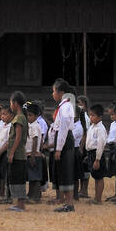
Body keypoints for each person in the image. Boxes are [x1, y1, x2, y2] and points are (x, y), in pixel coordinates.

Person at [51, 79, 78, 213]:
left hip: (65, 140)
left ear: (61, 92)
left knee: (66, 171)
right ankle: (67, 203)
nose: (53, 94)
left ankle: (70, 203)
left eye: (54, 91)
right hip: (62, 139)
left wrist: (58, 149)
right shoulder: (63, 106)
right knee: (62, 171)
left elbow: (63, 129)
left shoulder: (66, 107)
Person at [6, 92, 30, 211]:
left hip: (18, 154)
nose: (10, 105)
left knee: (18, 178)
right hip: (18, 154)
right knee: (15, 178)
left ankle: (21, 204)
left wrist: (11, 152)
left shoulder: (19, 117)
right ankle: (18, 203)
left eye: (11, 102)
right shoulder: (21, 117)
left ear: (15, 103)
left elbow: (18, 137)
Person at [85, 103, 108, 205]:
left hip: (96, 154)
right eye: (90, 115)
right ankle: (96, 197)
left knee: (99, 177)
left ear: (100, 117)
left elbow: (100, 144)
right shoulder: (91, 127)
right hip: (91, 153)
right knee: (95, 176)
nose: (91, 117)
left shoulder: (100, 128)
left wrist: (97, 159)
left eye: (93, 115)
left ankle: (98, 199)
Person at [26, 101, 45, 202]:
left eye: (31, 115)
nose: (28, 117)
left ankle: (37, 196)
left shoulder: (35, 126)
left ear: (37, 116)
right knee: (31, 177)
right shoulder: (30, 125)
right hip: (29, 154)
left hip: (34, 155)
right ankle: (31, 194)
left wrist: (33, 155)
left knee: (35, 177)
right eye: (27, 115)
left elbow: (35, 140)